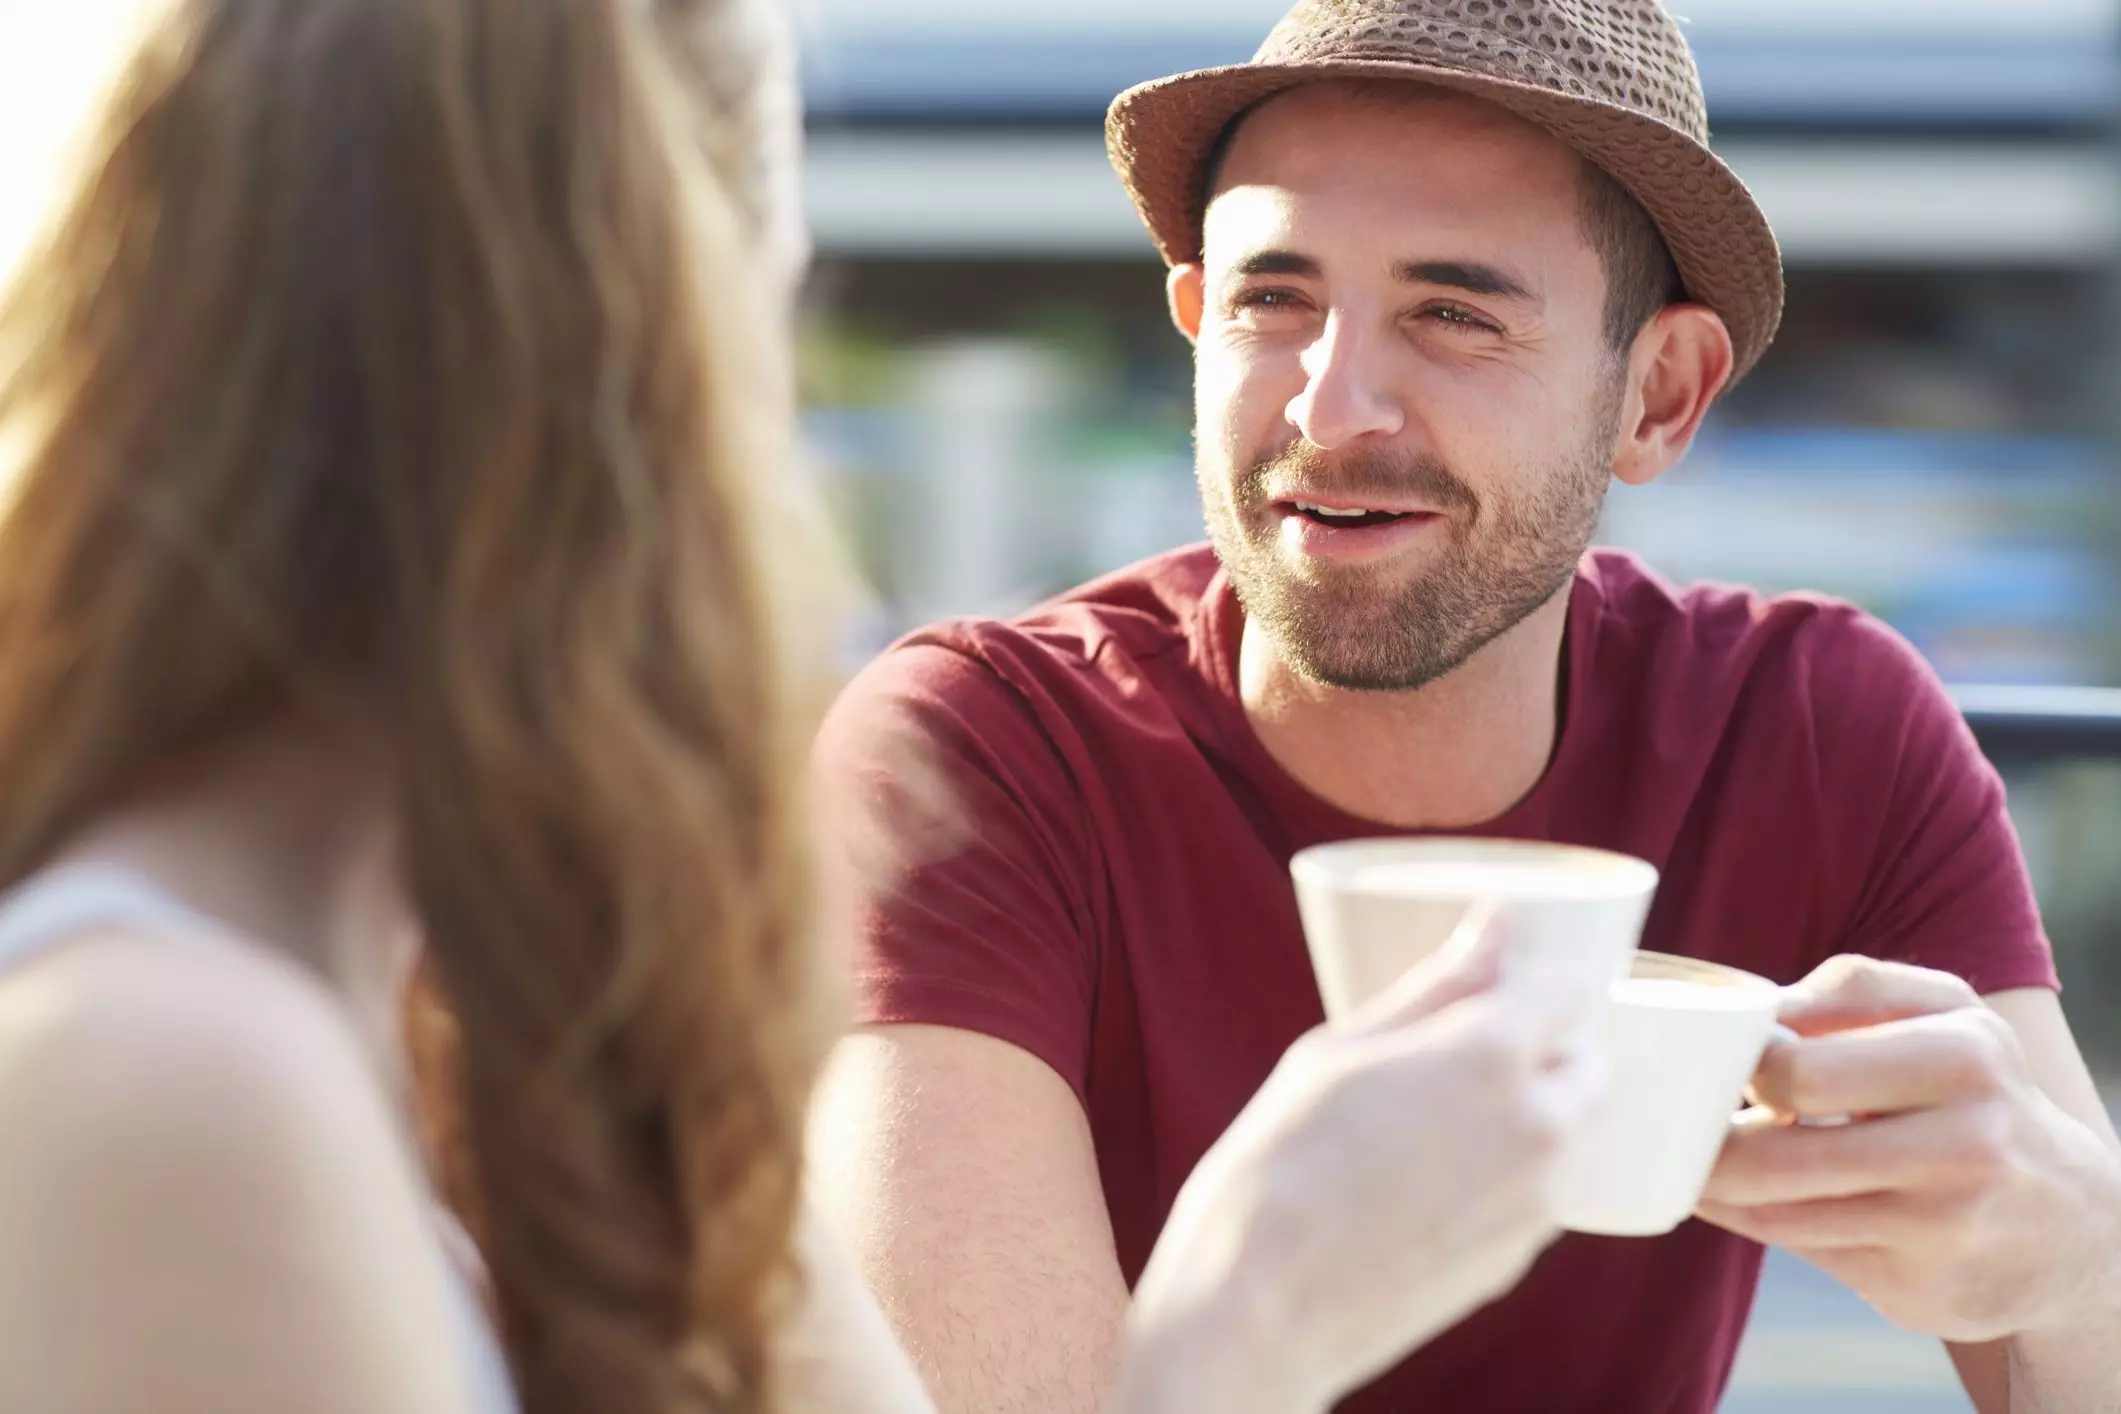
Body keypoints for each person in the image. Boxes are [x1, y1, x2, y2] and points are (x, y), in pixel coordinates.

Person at [0, 2, 1609, 1413]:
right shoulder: (169, 1075)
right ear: (614, 364)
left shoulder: (523, 1043)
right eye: (757, 333)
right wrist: (1243, 1335)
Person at [808, 1, 2121, 1411]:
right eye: (1275, 299)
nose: (1332, 405)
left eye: (1453, 314)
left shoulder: (1817, 729)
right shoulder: (972, 759)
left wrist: (2061, 1262)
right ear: (1195, 324)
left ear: (1659, 397)